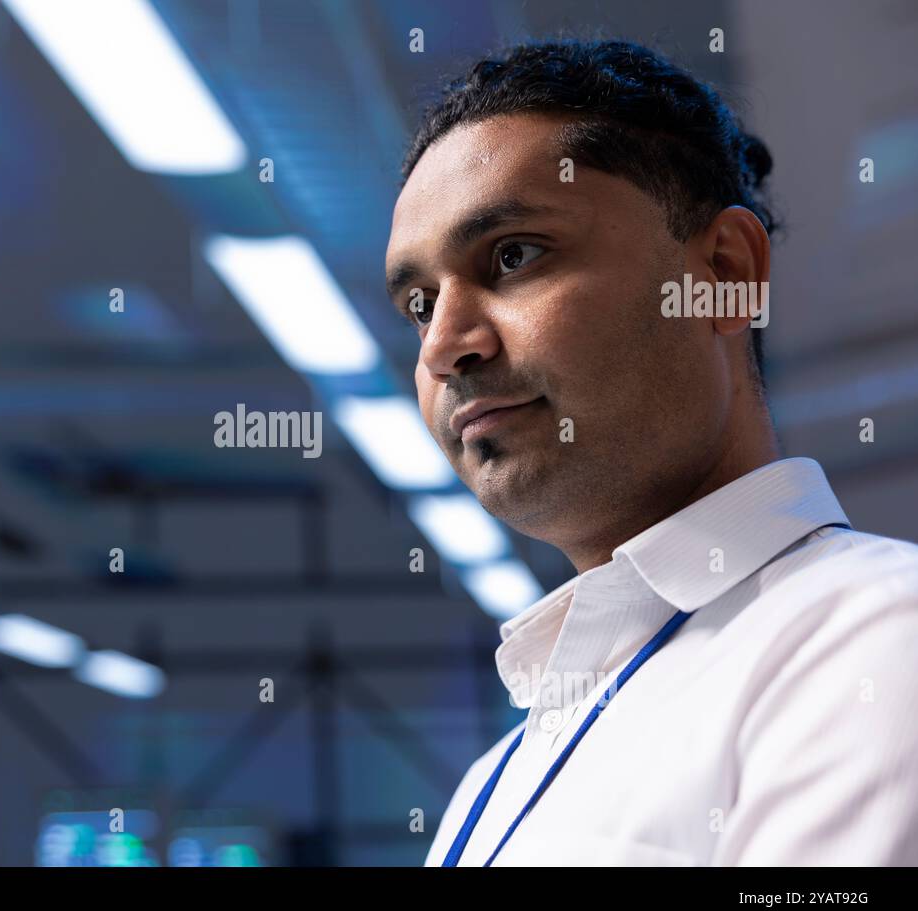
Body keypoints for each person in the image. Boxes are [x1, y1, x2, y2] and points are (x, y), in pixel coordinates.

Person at [383, 39, 918, 865]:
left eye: (513, 256)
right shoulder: (493, 785)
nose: (444, 345)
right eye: (420, 304)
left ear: (725, 275)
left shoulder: (875, 640)